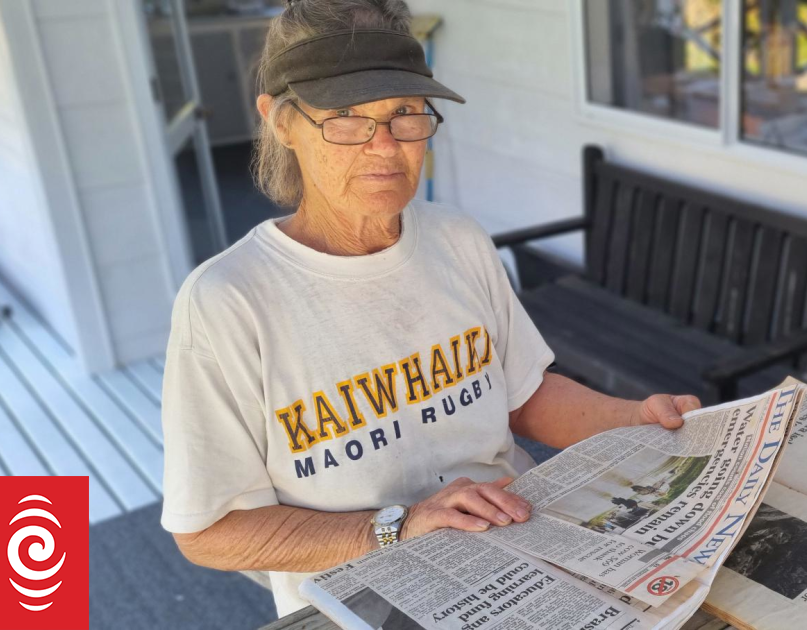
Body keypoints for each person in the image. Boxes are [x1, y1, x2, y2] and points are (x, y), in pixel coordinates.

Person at [158, 0, 700, 618]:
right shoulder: (227, 302)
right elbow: (208, 530)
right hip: (370, 593)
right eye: (345, 118)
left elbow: (521, 395)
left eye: (404, 114)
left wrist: (634, 416)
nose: (384, 146)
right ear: (280, 122)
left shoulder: (457, 239)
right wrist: (398, 526)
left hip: (520, 547)